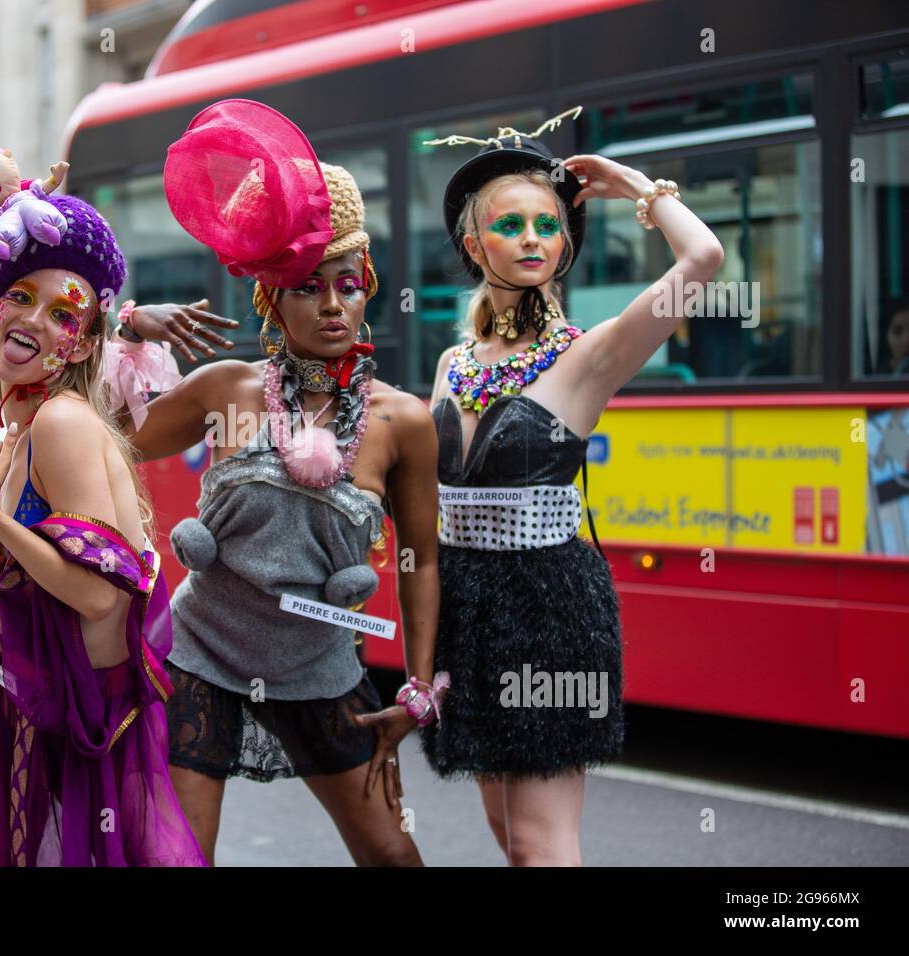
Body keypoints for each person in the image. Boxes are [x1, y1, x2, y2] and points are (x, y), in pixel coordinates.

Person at [109, 100, 440, 866]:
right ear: (270, 297)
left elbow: (425, 558)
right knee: (175, 860)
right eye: (307, 287)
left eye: (349, 284)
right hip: (201, 654)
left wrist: (418, 689)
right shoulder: (226, 390)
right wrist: (125, 329)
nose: (333, 304)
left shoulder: (403, 422)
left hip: (320, 667)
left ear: (369, 287)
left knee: (394, 858)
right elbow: (100, 445)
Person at [422, 111, 724, 865]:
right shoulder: (452, 363)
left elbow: (704, 259)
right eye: (511, 224)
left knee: (538, 843)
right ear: (472, 245)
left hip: (548, 607)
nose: (531, 238)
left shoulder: (591, 355)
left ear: (564, 245)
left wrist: (632, 188)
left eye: (547, 226)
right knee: (502, 830)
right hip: (466, 609)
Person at [0, 192, 207, 867]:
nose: (31, 319)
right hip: (42, 713)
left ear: (84, 341)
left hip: (74, 731)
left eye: (63, 314)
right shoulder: (29, 420)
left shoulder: (59, 422)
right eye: (21, 296)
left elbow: (99, 595)